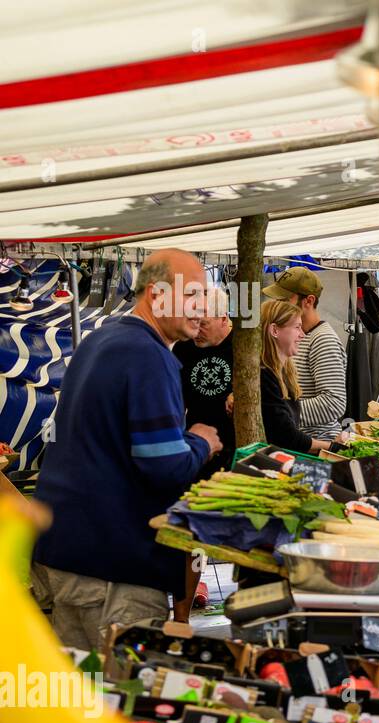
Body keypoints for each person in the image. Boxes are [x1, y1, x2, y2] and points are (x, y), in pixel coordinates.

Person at [30, 248, 223, 652]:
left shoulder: (101, 339)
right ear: (155, 295)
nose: (201, 309)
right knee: (124, 697)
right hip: (114, 570)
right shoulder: (148, 355)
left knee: (82, 697)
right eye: (191, 296)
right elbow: (164, 466)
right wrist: (201, 442)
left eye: (204, 297)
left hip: (67, 554)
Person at [262, 266, 345, 441]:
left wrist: (280, 413)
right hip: (296, 440)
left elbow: (334, 403)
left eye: (284, 298)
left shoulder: (323, 340)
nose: (278, 302)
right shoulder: (289, 335)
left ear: (309, 301)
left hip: (317, 444)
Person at [174, 286, 235, 480]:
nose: (195, 331)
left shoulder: (243, 346)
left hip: (236, 448)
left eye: (204, 324)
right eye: (193, 322)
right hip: (198, 447)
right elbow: (177, 399)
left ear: (223, 319)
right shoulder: (183, 347)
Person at [260, 300, 333, 456]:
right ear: (274, 330)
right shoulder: (264, 376)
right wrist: (333, 447)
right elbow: (286, 436)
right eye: (297, 327)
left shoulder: (285, 373)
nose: (302, 334)